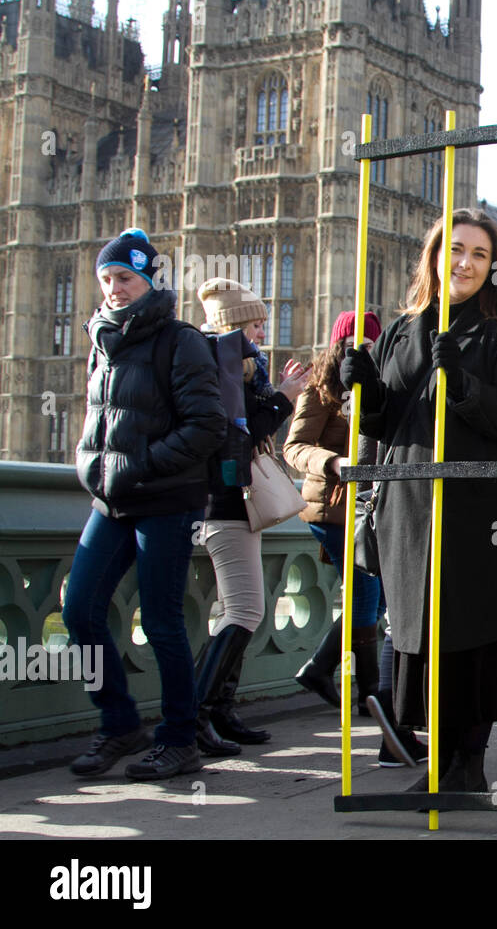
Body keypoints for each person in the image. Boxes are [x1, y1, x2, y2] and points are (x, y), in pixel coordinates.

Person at [340, 209, 497, 790]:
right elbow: (386, 422)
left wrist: (466, 387)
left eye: (478, 255)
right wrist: (364, 386)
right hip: (410, 504)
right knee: (419, 633)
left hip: (475, 509)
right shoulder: (403, 330)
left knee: (470, 634)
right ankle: (439, 757)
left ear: (493, 268)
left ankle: (467, 761)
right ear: (435, 257)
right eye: (456, 250)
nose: (466, 263)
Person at [63, 229, 226, 780]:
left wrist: (144, 463)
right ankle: (119, 723)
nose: (113, 288)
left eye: (124, 278)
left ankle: (179, 739)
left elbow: (207, 425)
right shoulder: (101, 342)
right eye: (106, 279)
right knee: (78, 608)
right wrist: (94, 468)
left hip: (166, 500)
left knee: (160, 621)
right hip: (111, 500)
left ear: (149, 279)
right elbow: (101, 424)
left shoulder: (180, 340)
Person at [282, 311, 418, 765]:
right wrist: (335, 463)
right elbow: (295, 447)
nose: (359, 351)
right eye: (351, 343)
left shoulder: (379, 383)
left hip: (367, 509)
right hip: (331, 509)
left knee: (374, 604)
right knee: (369, 601)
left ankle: (323, 670)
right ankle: (373, 700)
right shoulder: (321, 388)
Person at [190, 278, 308, 756]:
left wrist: (275, 392)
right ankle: (195, 715)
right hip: (222, 506)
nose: (264, 328)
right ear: (234, 325)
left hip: (238, 506)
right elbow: (233, 442)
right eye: (256, 321)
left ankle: (220, 709)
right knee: (244, 612)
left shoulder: (234, 369)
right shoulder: (217, 372)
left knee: (238, 610)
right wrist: (283, 398)